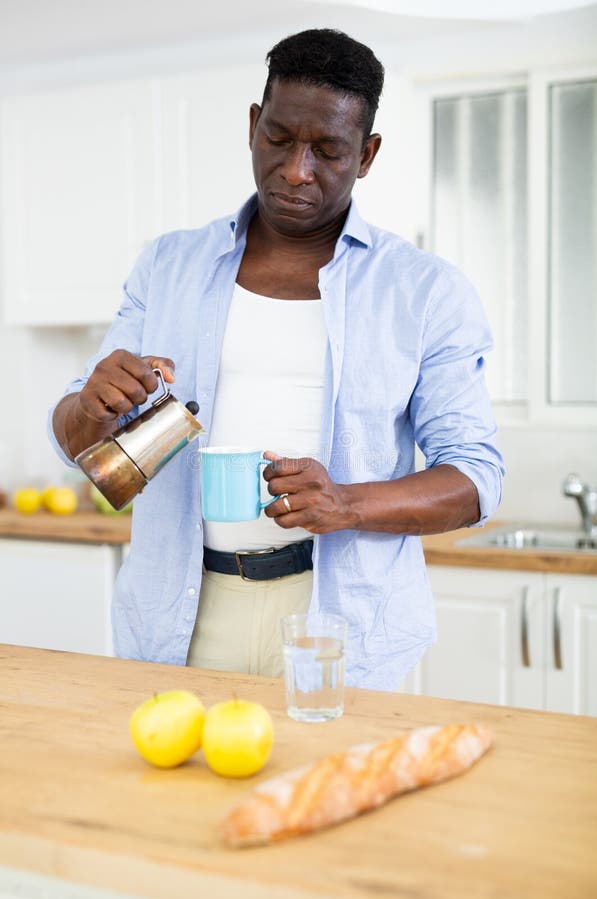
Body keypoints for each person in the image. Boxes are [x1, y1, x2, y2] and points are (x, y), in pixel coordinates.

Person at [49, 28, 504, 690]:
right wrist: (93, 404)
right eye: (281, 139)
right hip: (180, 614)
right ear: (254, 125)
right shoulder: (168, 265)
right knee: (171, 793)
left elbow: (476, 478)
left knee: (327, 793)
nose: (297, 170)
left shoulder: (425, 291)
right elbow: (74, 442)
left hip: (341, 622)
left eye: (329, 150)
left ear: (367, 154)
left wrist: (346, 502)